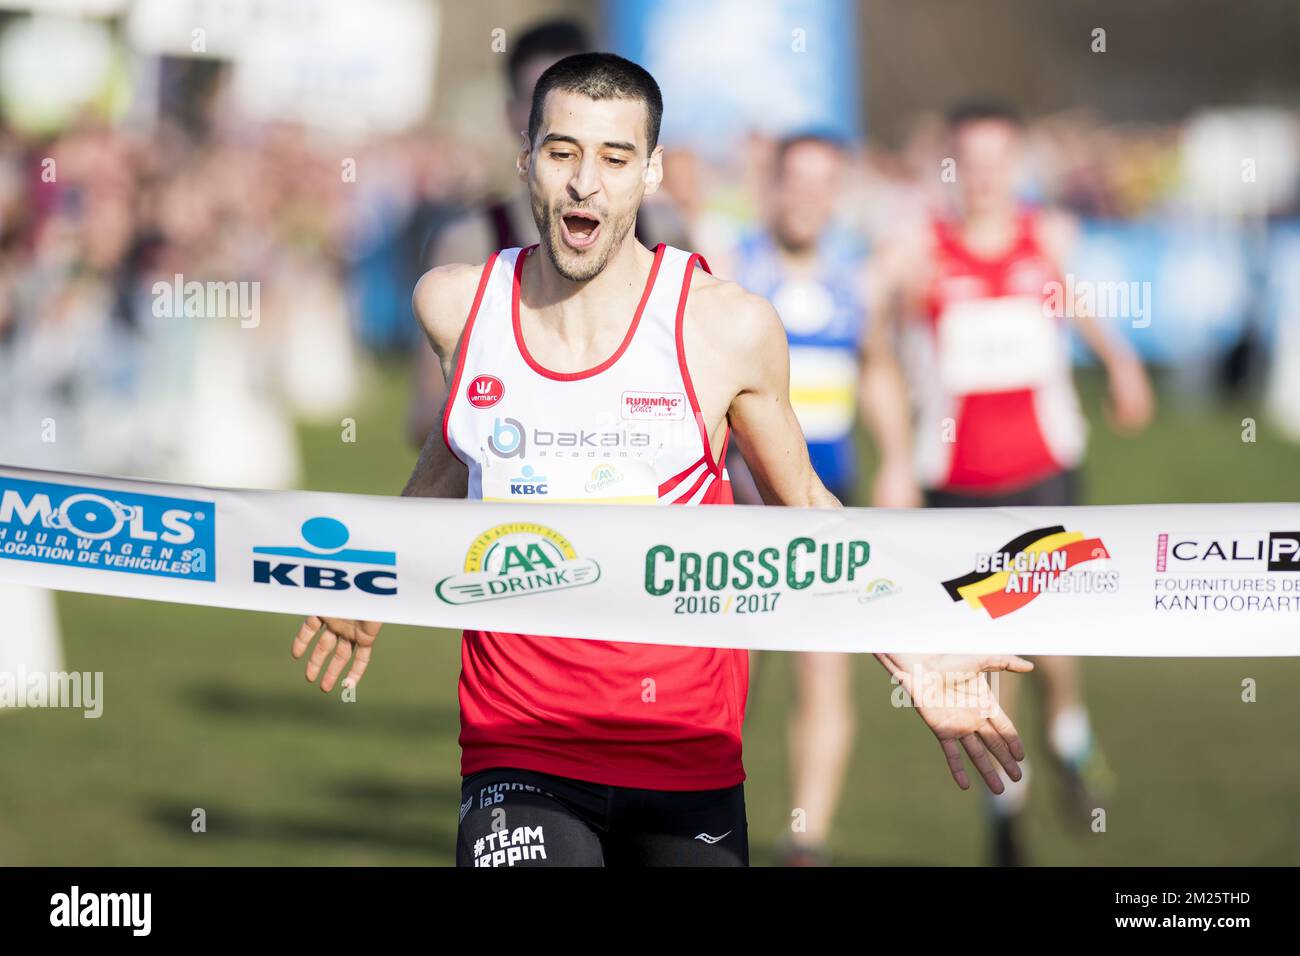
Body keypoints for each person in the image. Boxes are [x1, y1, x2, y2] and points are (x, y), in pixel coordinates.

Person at [292, 54, 1033, 867]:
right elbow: (452, 453)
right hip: (521, 746)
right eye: (562, 151)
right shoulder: (458, 304)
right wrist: (374, 577)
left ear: (649, 174)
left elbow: (809, 511)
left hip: (685, 752)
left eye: (614, 158)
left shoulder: (724, 328)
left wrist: (915, 650)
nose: (584, 184)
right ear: (526, 160)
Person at [862, 99, 1154, 865]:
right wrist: (893, 454)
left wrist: (1120, 364)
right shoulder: (915, 251)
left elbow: (1078, 303)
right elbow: (880, 359)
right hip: (953, 483)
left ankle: (1070, 736)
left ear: (1018, 165)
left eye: (999, 161)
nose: (985, 178)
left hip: (1043, 471)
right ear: (949, 166)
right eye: (970, 161)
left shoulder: (1045, 237)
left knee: (1051, 640)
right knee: (988, 656)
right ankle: (1008, 813)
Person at [406, 18, 687, 447]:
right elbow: (425, 417)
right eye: (544, 93)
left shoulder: (663, 229)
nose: (575, 106)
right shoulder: (468, 243)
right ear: (518, 118)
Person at [729, 133, 869, 866]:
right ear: (772, 186)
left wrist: (902, 461)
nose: (808, 197)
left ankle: (805, 841)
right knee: (726, 683)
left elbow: (875, 372)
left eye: (824, 182)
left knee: (823, 670)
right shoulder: (733, 270)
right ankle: (695, 824)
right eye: (795, 181)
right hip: (739, 511)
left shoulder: (858, 278)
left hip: (825, 504)